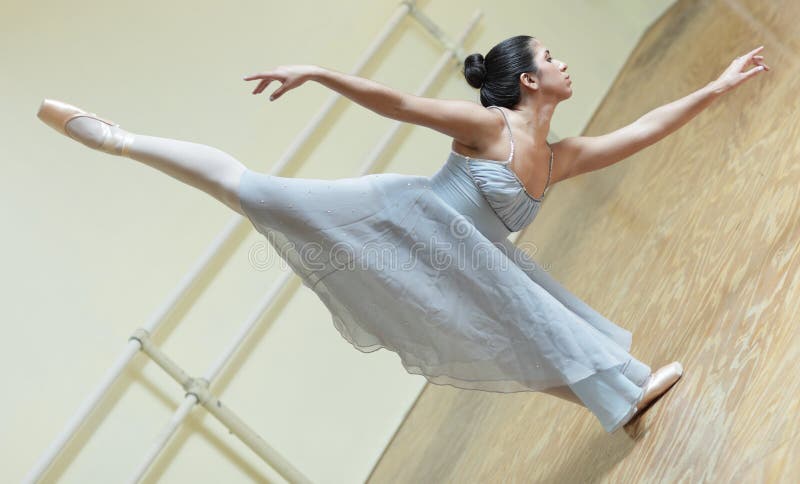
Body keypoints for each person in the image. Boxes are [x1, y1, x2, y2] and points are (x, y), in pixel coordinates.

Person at [36, 35, 769, 433]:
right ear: (529, 82)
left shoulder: (558, 156)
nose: (565, 61)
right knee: (251, 189)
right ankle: (123, 140)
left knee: (513, 337)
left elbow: (641, 130)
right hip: (396, 219)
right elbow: (398, 102)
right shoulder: (488, 127)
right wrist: (320, 72)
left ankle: (620, 398)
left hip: (461, 262)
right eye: (552, 58)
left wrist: (716, 87)